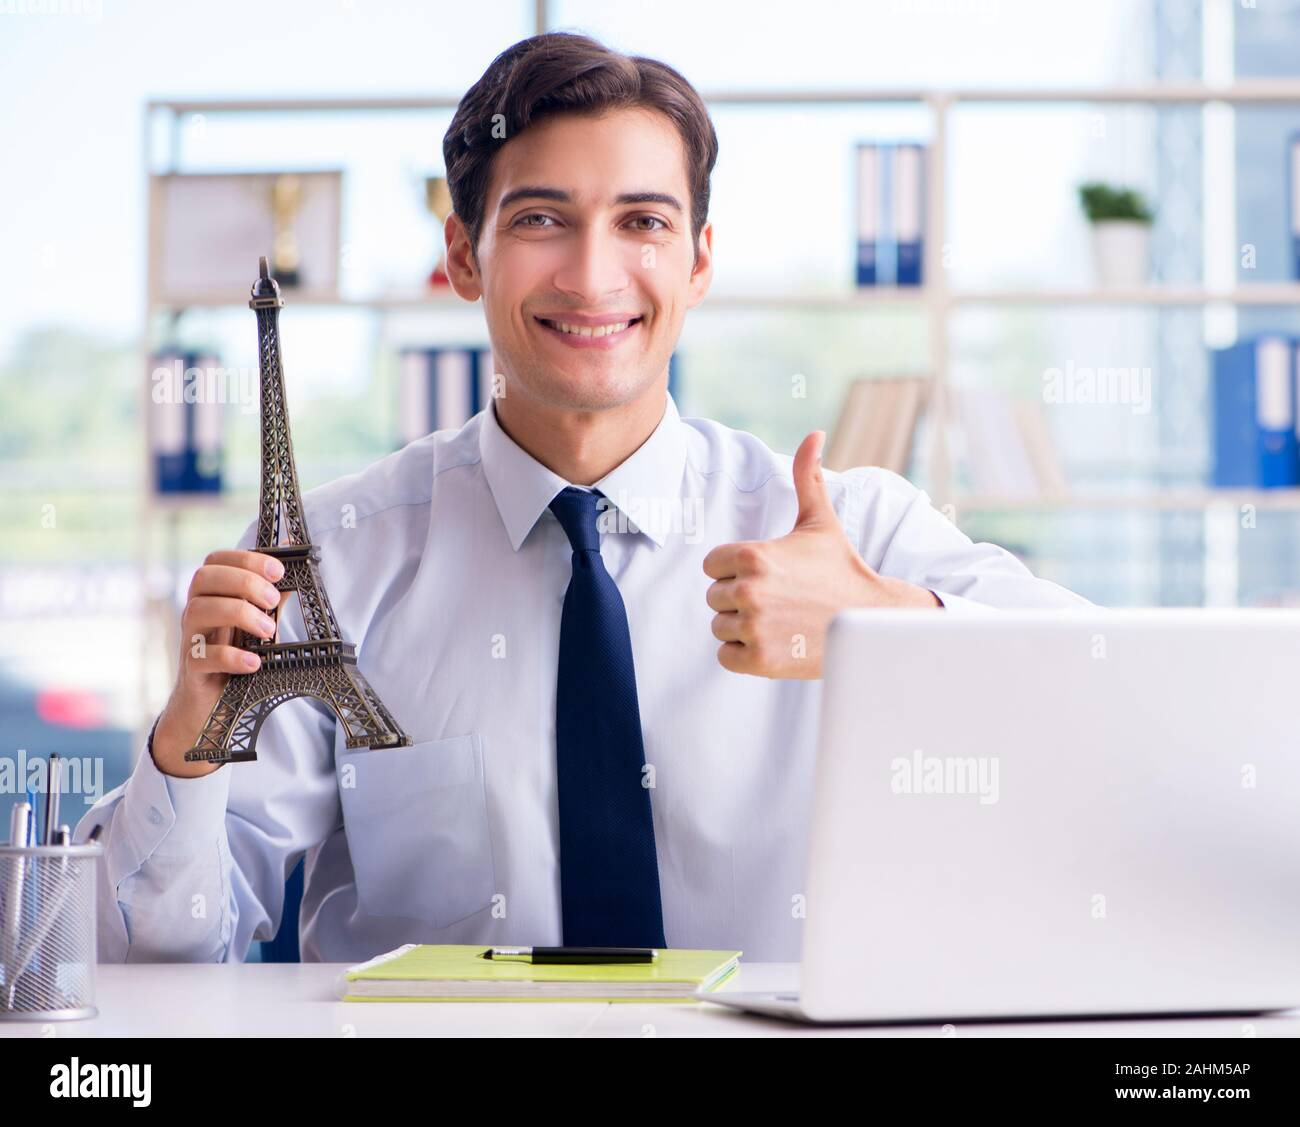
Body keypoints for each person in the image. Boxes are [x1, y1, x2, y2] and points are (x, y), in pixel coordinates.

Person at [79, 32, 1089, 964]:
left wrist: (884, 623)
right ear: (463, 256)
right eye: (541, 219)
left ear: (697, 261)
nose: (593, 273)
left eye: (642, 221)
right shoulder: (330, 558)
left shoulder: (848, 530)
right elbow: (152, 965)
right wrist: (185, 751)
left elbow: (1109, 695)